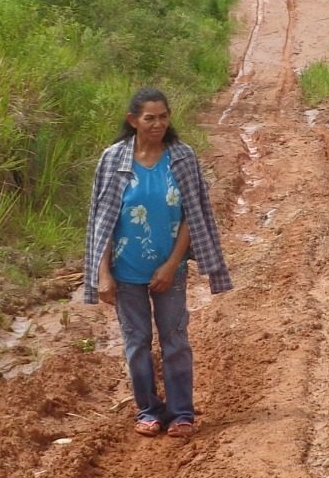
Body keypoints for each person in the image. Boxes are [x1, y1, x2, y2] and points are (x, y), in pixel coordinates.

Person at [84, 87, 232, 438]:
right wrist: (103, 274)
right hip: (125, 272)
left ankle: (181, 413)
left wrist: (171, 264)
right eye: (149, 118)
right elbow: (101, 222)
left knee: (175, 340)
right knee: (136, 343)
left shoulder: (181, 157)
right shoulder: (112, 159)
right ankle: (148, 410)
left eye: (163, 117)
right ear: (133, 120)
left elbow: (192, 215)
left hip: (170, 270)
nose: (158, 124)